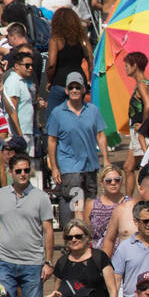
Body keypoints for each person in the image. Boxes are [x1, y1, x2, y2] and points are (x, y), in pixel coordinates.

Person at [0, 153, 55, 297]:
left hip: (33, 262)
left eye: (26, 170)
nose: (23, 174)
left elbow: (48, 231)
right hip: (5, 261)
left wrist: (49, 262)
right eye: (18, 171)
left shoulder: (41, 197)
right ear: (10, 172)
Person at [45, 75, 109, 230]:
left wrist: (106, 159)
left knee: (90, 202)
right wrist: (54, 167)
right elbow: (52, 141)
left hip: (91, 164)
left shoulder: (92, 110)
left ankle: (85, 234)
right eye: (71, 87)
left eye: (78, 87)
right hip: (70, 166)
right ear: (66, 90)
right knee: (76, 203)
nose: (74, 90)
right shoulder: (57, 113)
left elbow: (100, 135)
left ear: (83, 89)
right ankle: (80, 234)